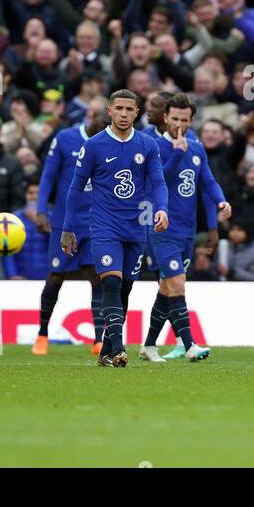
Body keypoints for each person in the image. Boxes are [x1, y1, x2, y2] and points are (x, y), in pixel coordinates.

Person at [60, 90, 170, 368]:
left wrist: (162, 209)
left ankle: (105, 352)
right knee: (110, 282)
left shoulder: (147, 145)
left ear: (137, 112)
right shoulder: (95, 146)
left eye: (129, 109)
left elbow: (158, 182)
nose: (123, 114)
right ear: (109, 110)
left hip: (135, 229)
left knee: (125, 291)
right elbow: (75, 187)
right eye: (118, 108)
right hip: (104, 226)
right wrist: (68, 227)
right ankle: (119, 348)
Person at [141, 94, 229, 362]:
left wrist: (221, 202)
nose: (179, 125)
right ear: (165, 117)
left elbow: (207, 183)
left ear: (191, 121)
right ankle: (190, 345)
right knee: (177, 283)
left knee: (168, 288)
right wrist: (177, 154)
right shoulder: (153, 145)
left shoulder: (197, 147)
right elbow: (158, 182)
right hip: (161, 227)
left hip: (187, 230)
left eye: (184, 120)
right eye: (174, 119)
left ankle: (148, 346)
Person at [30, 117, 100, 356]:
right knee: (56, 276)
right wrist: (41, 210)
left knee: (96, 277)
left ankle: (99, 339)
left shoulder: (113, 143)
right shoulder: (64, 138)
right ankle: (42, 334)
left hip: (95, 223)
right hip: (64, 221)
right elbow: (48, 176)